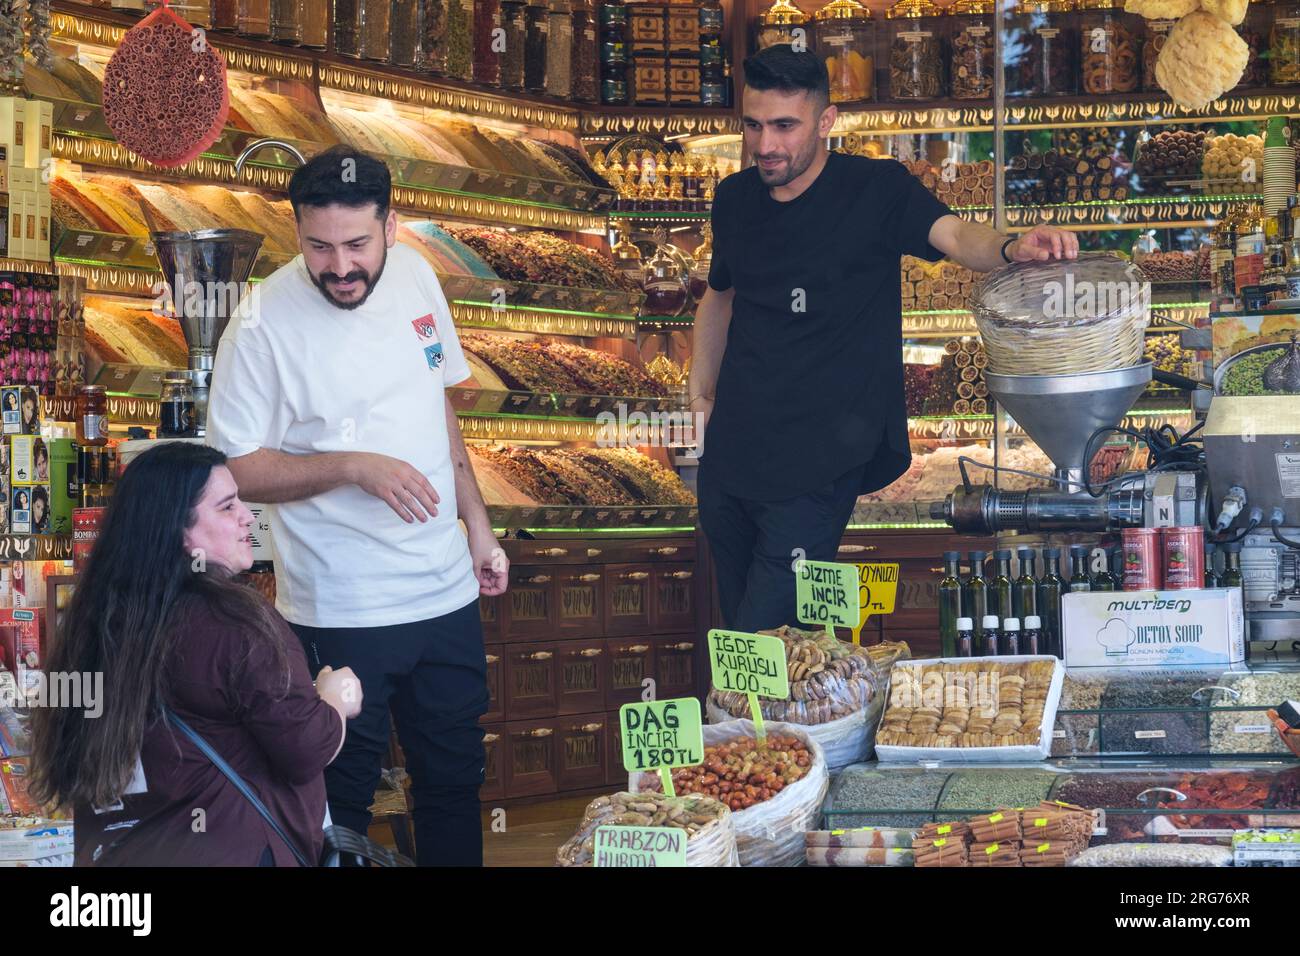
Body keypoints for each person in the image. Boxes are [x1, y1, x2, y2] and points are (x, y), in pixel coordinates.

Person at [691, 45, 1080, 632]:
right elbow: (719, 296)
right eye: (753, 125)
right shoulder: (735, 199)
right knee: (743, 638)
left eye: (784, 126)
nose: (765, 145)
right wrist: (700, 397)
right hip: (732, 457)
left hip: (819, 458)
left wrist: (1010, 247)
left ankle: (772, 724)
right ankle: (788, 724)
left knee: (762, 635)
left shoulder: (875, 188)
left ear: (826, 121)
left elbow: (954, 236)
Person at [206, 145, 509, 867]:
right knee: (339, 808)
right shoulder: (260, 321)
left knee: (454, 784)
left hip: (445, 594)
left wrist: (476, 522)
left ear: (391, 226)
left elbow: (437, 405)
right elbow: (238, 468)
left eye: (356, 245)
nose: (339, 266)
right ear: (297, 235)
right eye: (318, 247)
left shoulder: (415, 277)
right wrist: (351, 466)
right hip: (344, 607)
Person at [29, 443, 361, 866]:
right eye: (227, 507)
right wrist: (336, 698)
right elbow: (306, 748)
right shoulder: (237, 622)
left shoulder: (96, 619)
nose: (246, 516)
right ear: (181, 532)